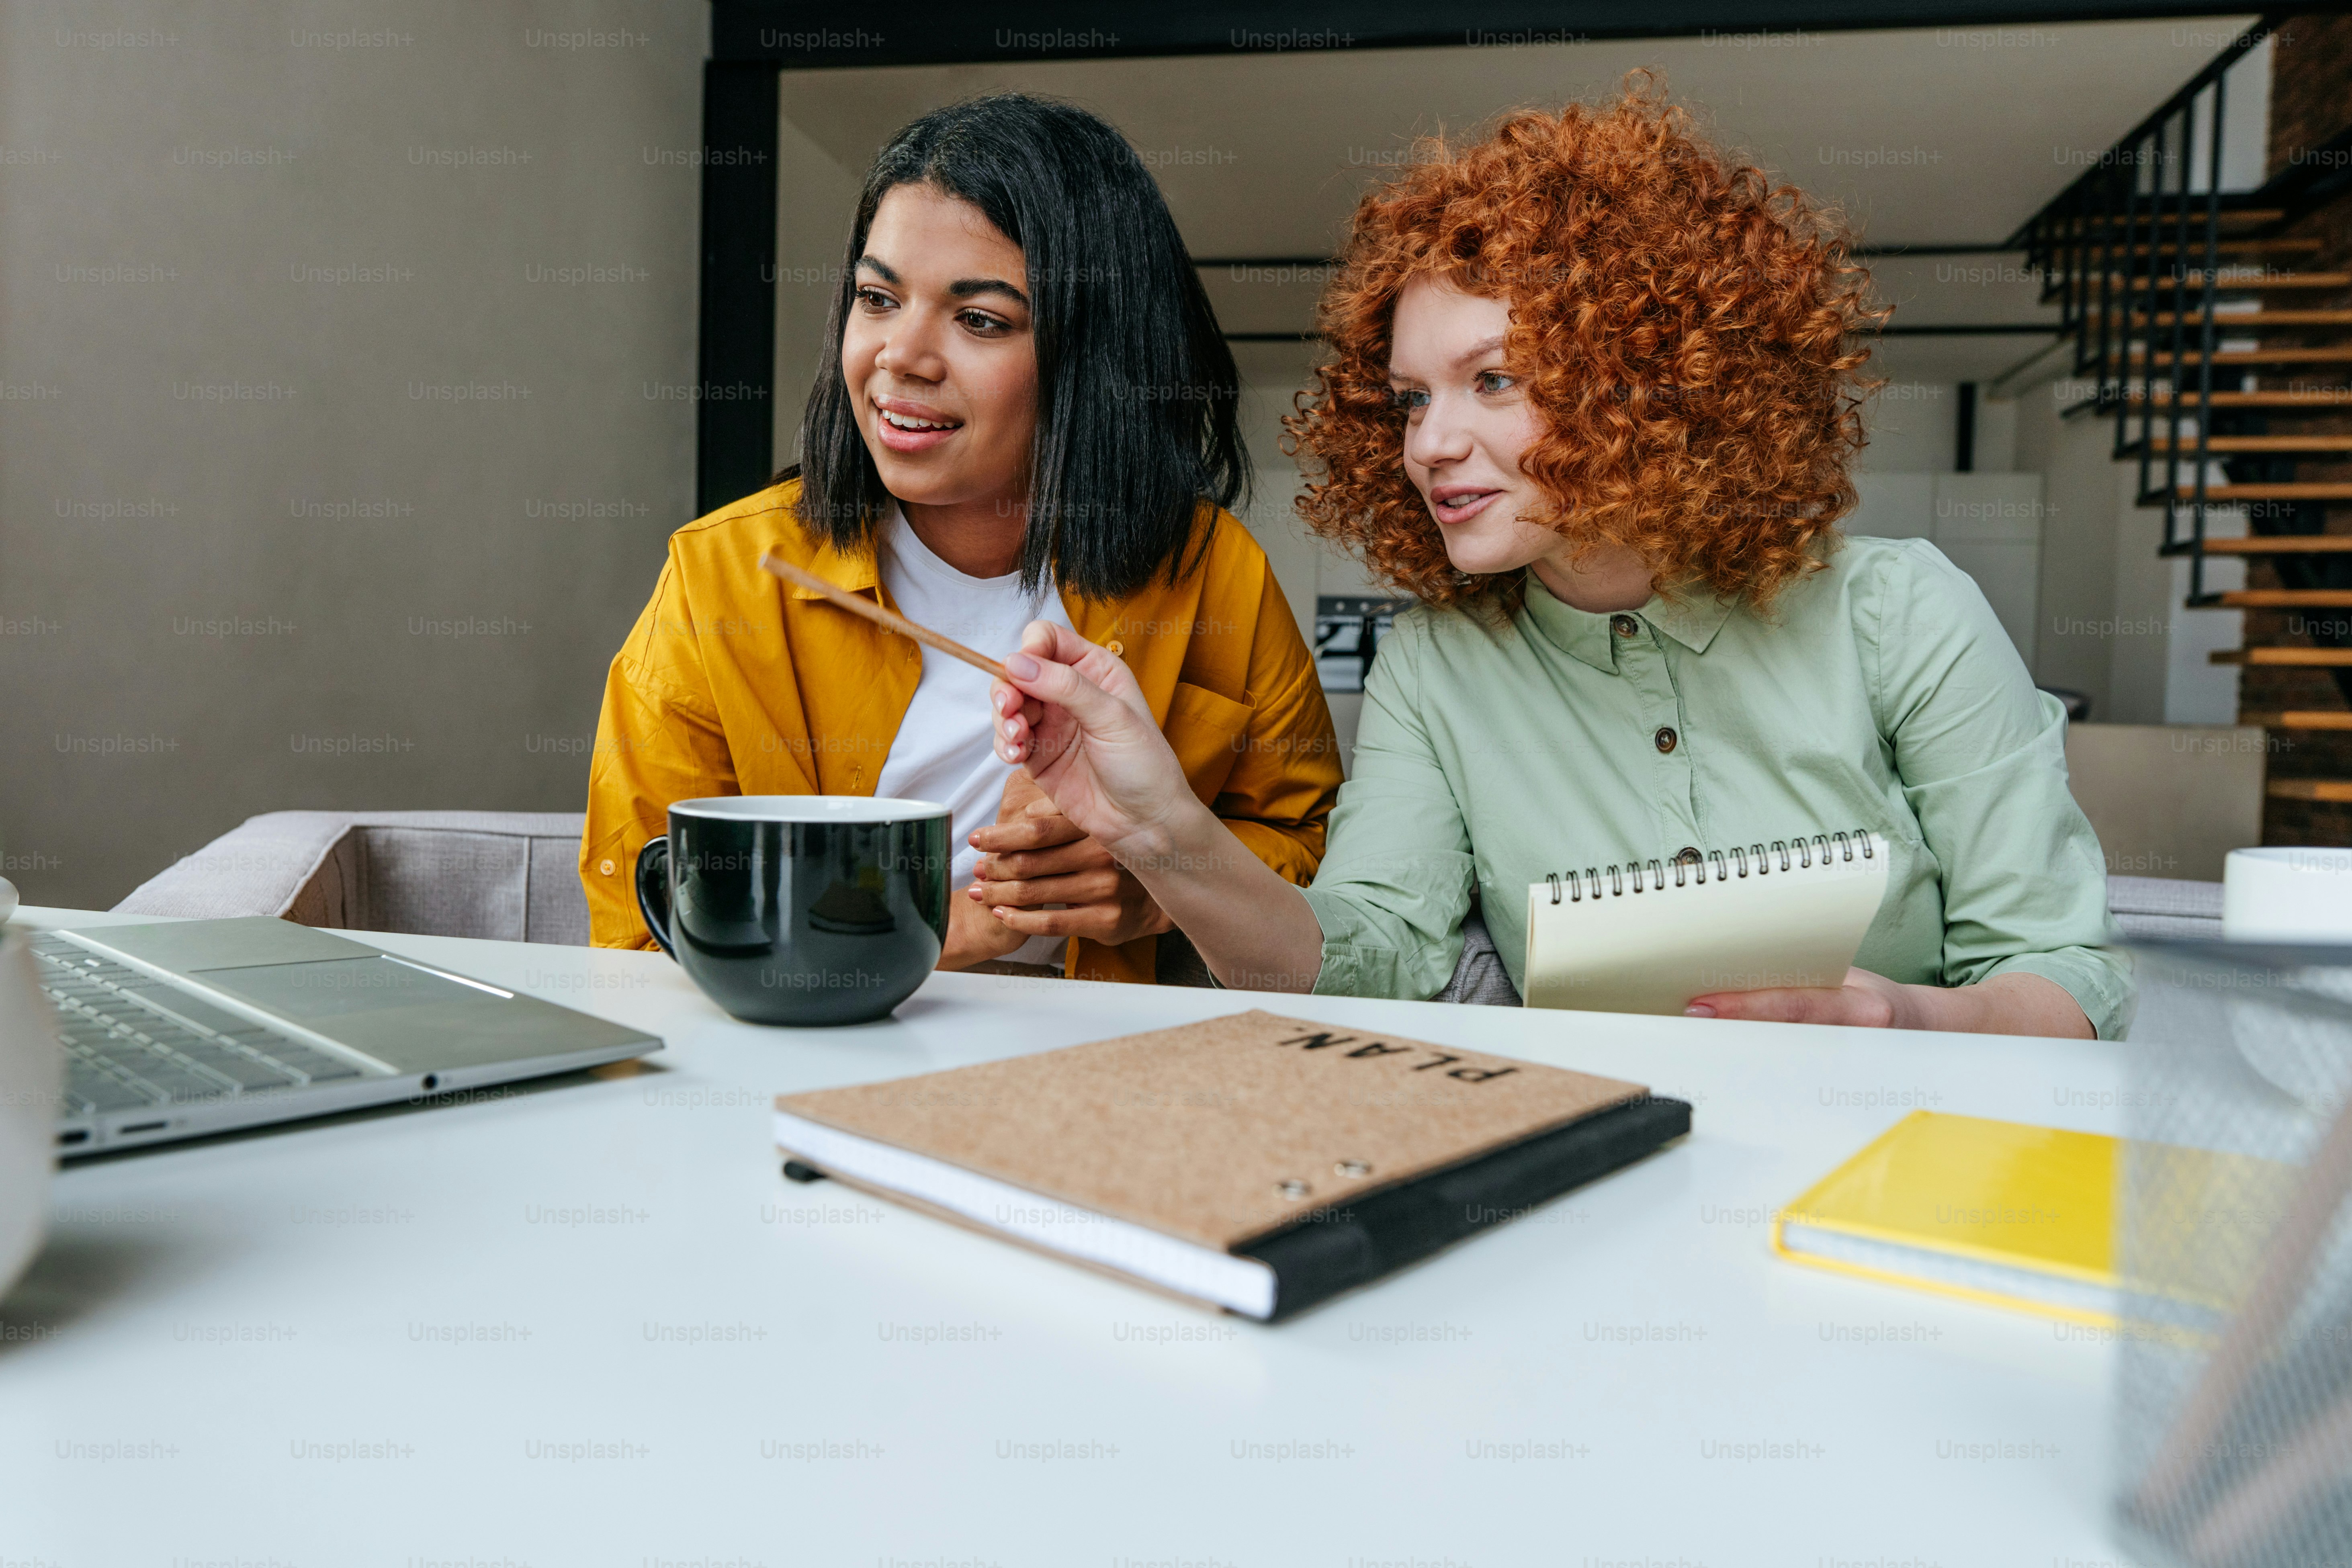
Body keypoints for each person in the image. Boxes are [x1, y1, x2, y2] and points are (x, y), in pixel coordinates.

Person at [987, 85, 2130, 1038]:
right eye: (1408, 398)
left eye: (1494, 379)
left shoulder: (1900, 613)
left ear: (1655, 377)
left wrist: (1903, 1021)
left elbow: (2067, 979)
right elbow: (1358, 962)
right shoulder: (1436, 664)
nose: (1430, 442)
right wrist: (1163, 832)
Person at [580, 94, 1342, 982]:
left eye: (979, 319)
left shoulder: (1211, 575)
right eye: (876, 298)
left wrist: (1159, 884)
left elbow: (1312, 857)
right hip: (806, 1068)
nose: (901, 356)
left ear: (1091, 356)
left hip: (1107, 1083)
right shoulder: (721, 579)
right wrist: (930, 931)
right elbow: (641, 928)